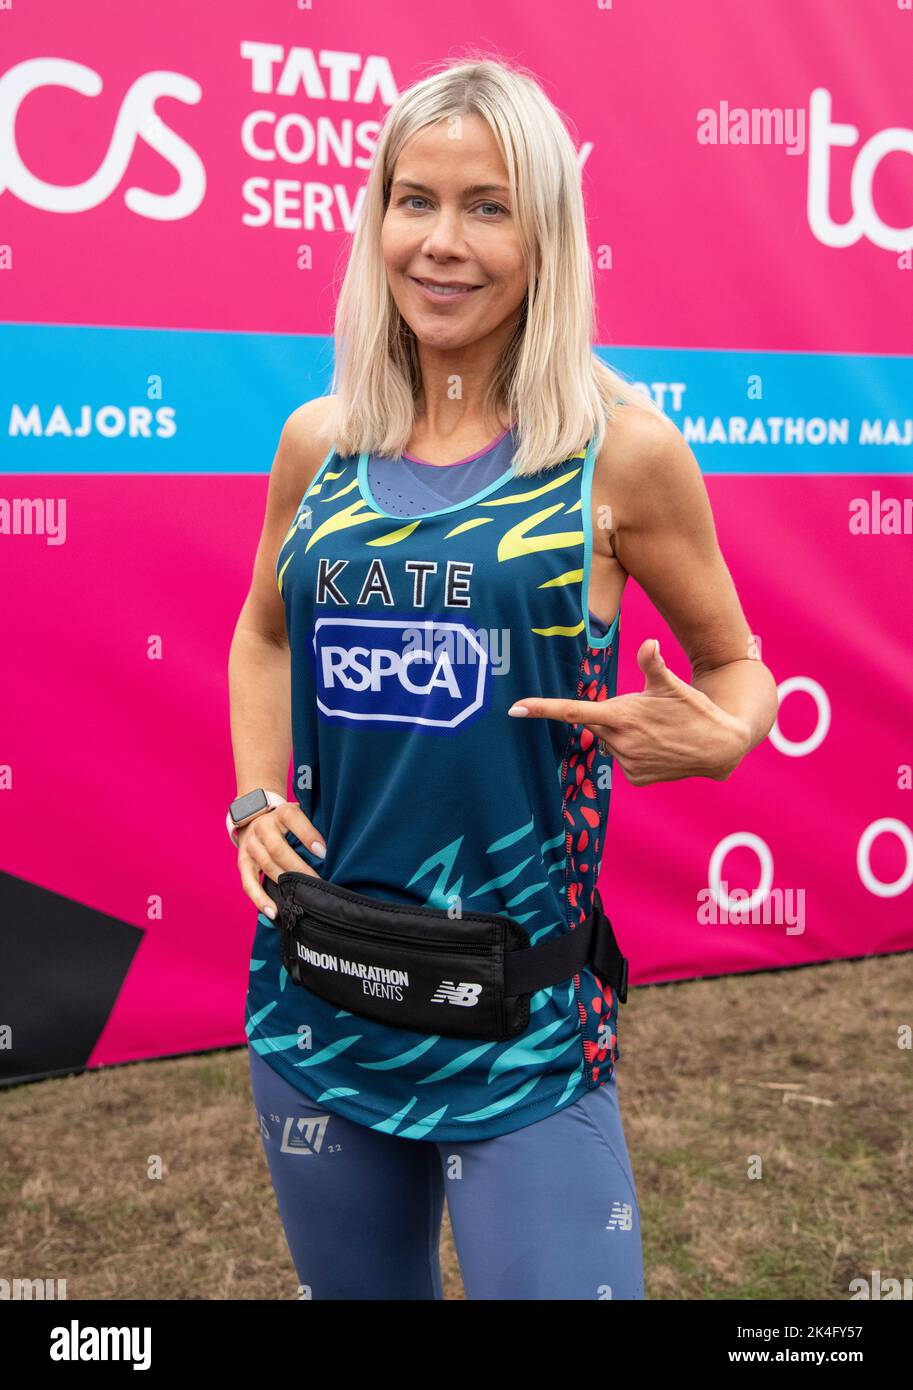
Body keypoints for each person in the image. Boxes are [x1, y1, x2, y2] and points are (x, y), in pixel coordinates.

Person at [227, 54, 778, 1301]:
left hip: (521, 1026)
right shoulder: (321, 441)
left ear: (548, 235)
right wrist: (257, 797)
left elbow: (735, 666)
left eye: (487, 206)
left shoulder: (617, 454)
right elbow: (261, 633)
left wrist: (720, 734)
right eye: (412, 200)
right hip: (321, 1003)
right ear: (372, 219)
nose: (440, 242)